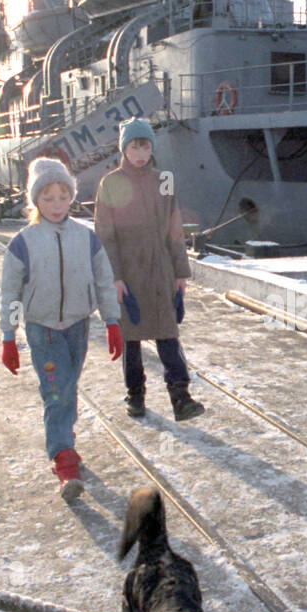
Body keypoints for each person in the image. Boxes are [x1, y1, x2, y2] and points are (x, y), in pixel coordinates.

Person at [0, 158, 123, 499]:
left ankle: (63, 443)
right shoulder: (23, 243)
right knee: (58, 391)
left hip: (78, 326)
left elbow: (103, 281)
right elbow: (10, 292)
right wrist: (8, 337)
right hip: (43, 329)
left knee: (67, 387)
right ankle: (64, 460)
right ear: (35, 201)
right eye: (48, 197)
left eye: (63, 196)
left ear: (72, 197)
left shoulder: (87, 238)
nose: (56, 205)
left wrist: (111, 321)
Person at [94, 118, 205, 421]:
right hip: (128, 272)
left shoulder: (164, 179)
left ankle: (180, 397)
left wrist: (180, 272)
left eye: (145, 145)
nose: (140, 152)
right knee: (131, 340)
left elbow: (174, 228)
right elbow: (105, 234)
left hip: (161, 271)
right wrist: (113, 277)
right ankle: (135, 395)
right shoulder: (111, 183)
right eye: (134, 146)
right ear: (124, 148)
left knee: (168, 335)